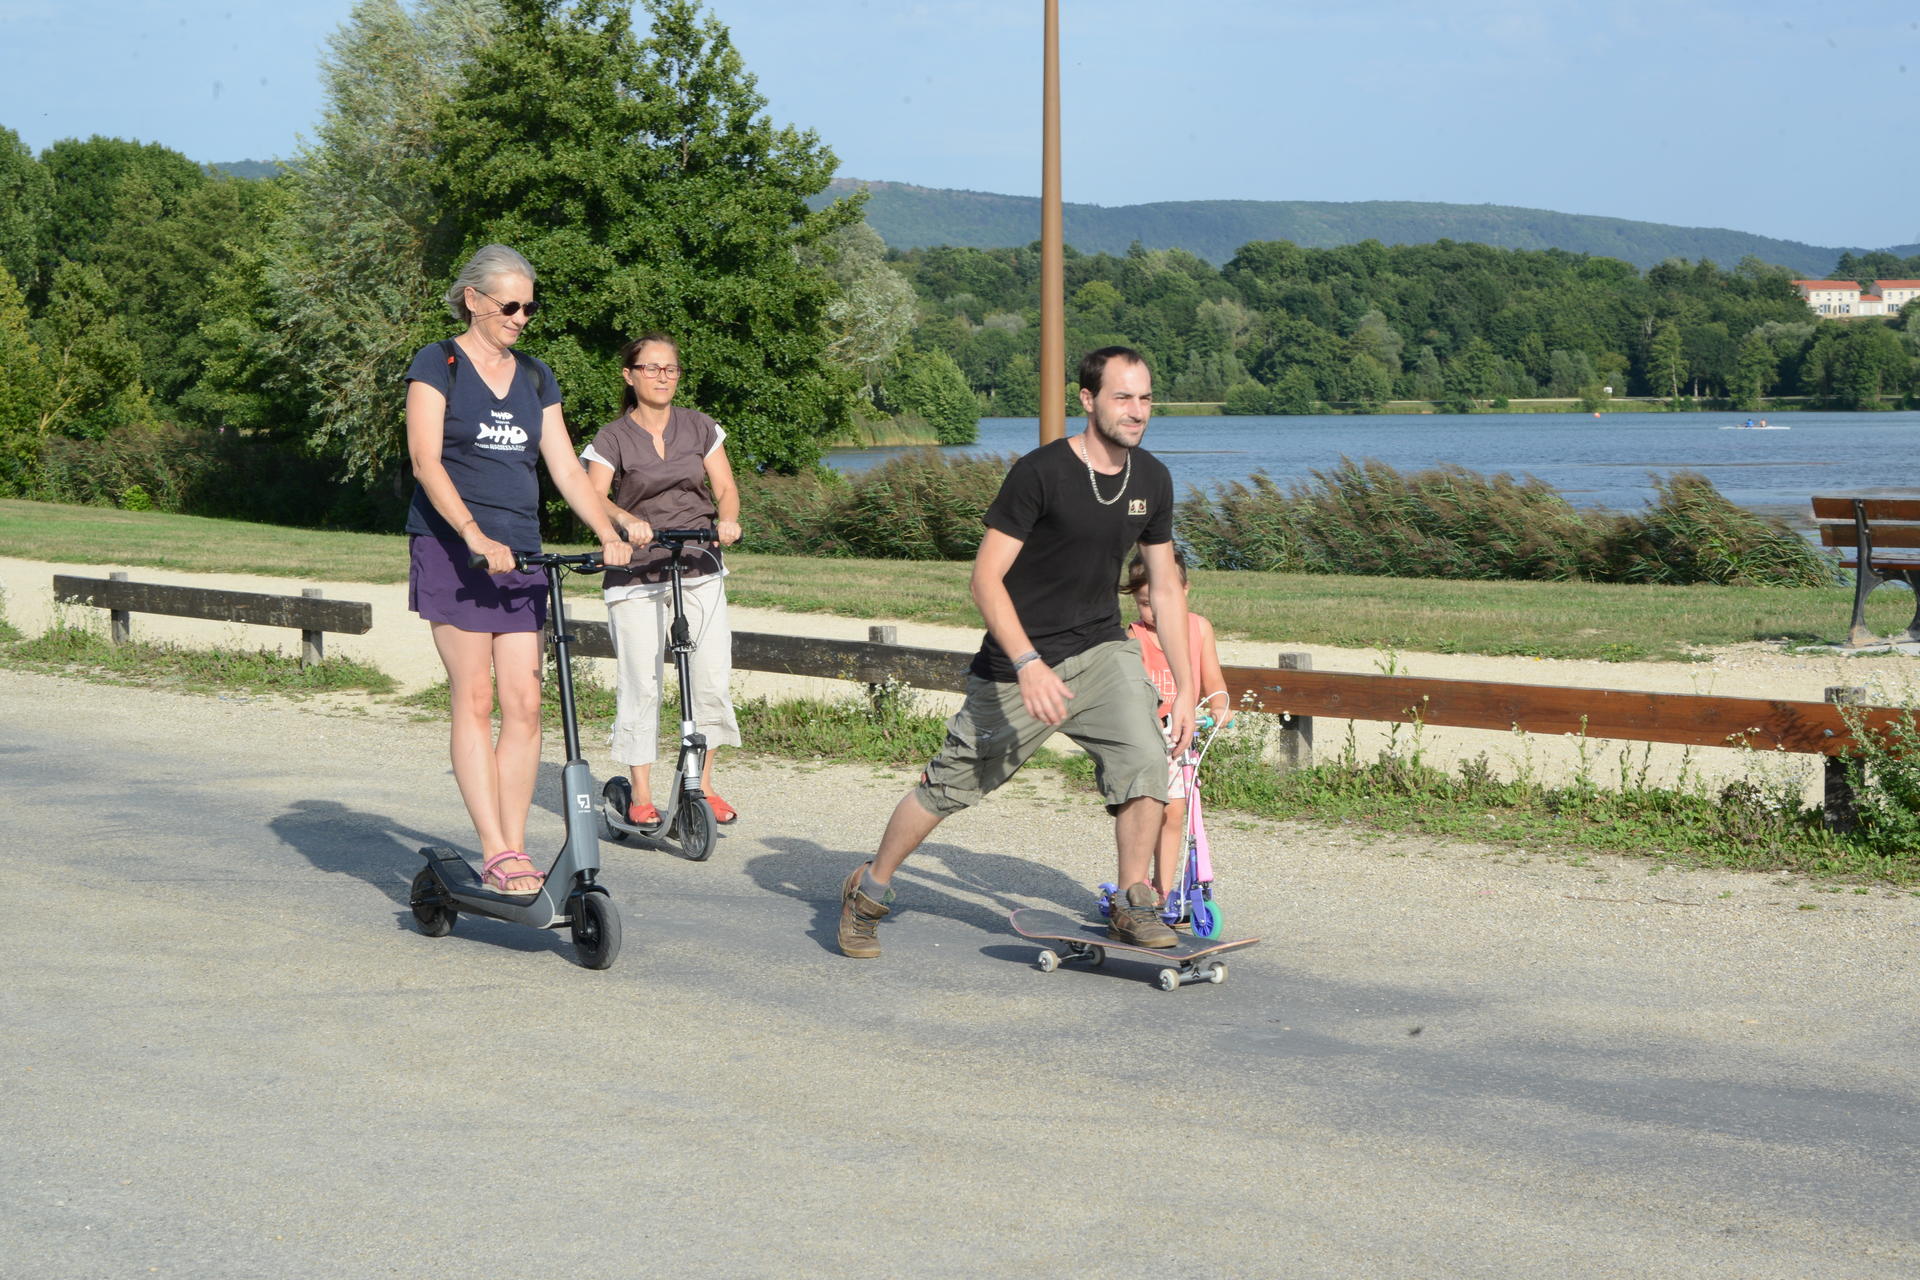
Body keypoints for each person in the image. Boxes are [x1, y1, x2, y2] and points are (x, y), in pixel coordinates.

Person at [836, 346, 1195, 959]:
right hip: (1016, 665)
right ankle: (869, 890)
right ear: (1088, 400)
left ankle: (1134, 900)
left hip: (1102, 649)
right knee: (948, 788)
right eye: (1122, 397)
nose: (1137, 412)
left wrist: (1185, 688)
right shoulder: (1041, 473)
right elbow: (985, 579)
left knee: (1144, 762)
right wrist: (1028, 663)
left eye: (1145, 398)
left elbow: (1163, 588)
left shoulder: (1153, 479)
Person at [404, 244, 632, 895]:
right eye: (509, 304)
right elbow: (426, 461)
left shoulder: (535, 376)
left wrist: (608, 530)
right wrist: (473, 533)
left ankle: (516, 847)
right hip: (454, 550)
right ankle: (495, 847)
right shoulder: (437, 363)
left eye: (530, 306)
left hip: (522, 554)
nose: (521, 316)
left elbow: (564, 468)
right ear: (473, 299)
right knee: (475, 699)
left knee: (526, 704)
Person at [582, 333, 744, 825]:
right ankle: (642, 791)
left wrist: (728, 520)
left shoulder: (700, 427)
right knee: (642, 680)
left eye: (669, 368)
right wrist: (625, 519)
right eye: (651, 368)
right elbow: (593, 497)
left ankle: (703, 783)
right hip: (635, 571)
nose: (661, 376)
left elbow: (726, 486)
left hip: (698, 561)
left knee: (711, 675)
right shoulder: (611, 438)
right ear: (629, 376)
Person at [1124, 548, 1232, 903]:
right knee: (1148, 809)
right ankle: (1136, 886)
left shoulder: (1199, 628)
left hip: (1182, 737)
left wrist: (1219, 705)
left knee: (1174, 813)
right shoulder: (1134, 635)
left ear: (1183, 591)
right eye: (1143, 603)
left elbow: (1212, 676)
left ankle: (1164, 887)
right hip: (1147, 737)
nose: (1151, 611)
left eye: (1158, 601)